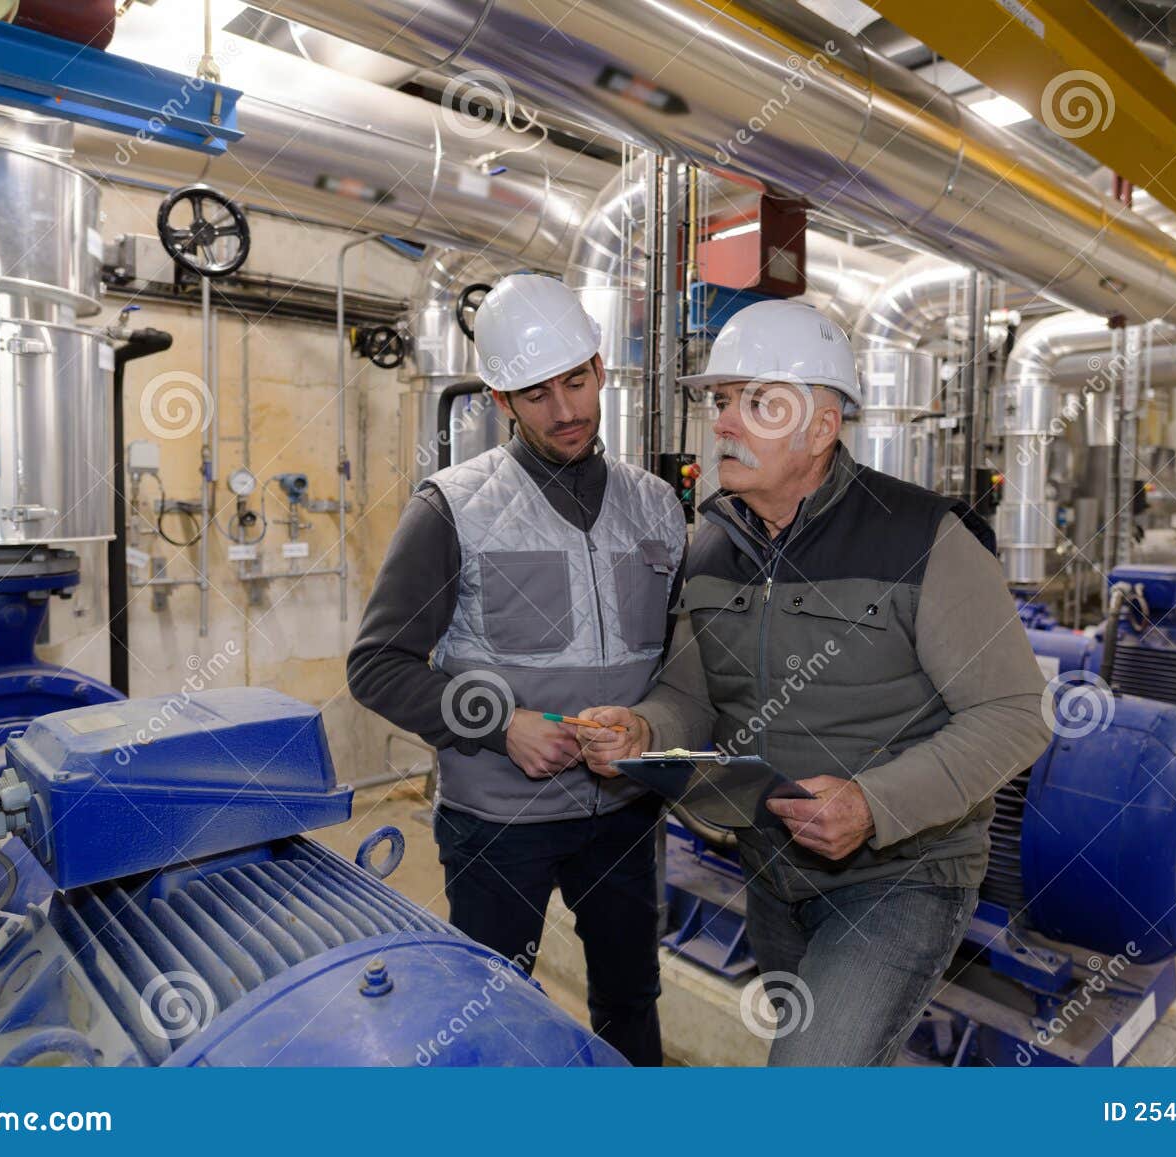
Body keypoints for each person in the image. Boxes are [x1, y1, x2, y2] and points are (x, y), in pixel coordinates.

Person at [578, 299, 1051, 1065]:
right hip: (773, 871)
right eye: (722, 401)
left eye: (756, 402)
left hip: (902, 876)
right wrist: (644, 729)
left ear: (822, 428)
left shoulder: (925, 538)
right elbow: (693, 696)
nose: (724, 423)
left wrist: (874, 802)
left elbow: (1015, 712)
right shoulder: (711, 545)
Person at [347, 273, 686, 1066]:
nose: (565, 410)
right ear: (500, 398)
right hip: (502, 821)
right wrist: (501, 725)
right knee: (492, 1013)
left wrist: (652, 729)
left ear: (602, 369)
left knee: (631, 1001)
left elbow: (681, 663)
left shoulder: (658, 506)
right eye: (536, 394)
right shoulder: (451, 508)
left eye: (575, 381)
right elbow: (377, 665)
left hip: (626, 812)